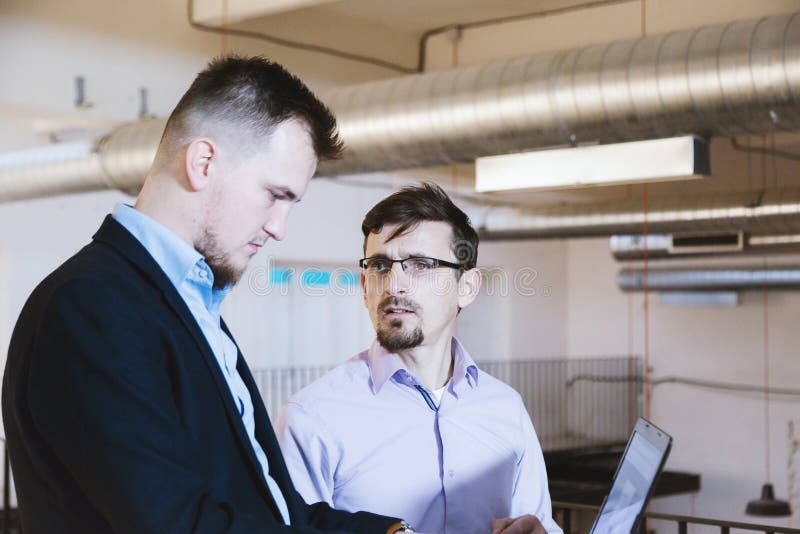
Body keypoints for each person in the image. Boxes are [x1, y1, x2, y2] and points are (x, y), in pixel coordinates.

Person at [2, 55, 408, 533]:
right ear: (203, 163)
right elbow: (176, 523)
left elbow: (274, 513)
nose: (278, 228)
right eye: (275, 195)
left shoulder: (189, 306)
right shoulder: (90, 307)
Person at [276, 183, 562, 534]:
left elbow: (539, 524)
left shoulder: (506, 410)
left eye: (420, 265)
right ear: (365, 286)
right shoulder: (311, 419)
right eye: (380, 265)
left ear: (467, 287)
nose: (394, 285)